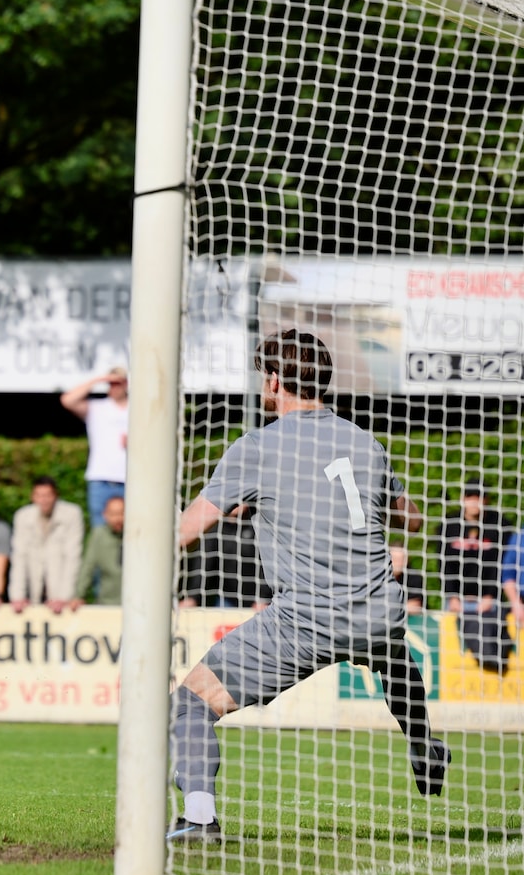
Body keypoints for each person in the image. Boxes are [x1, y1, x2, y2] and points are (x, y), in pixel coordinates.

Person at [168, 330, 445, 842]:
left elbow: (185, 533)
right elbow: (413, 520)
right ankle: (423, 740)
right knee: (390, 652)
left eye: (262, 378)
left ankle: (200, 818)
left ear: (274, 380)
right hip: (378, 610)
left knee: (190, 703)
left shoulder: (257, 446)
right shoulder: (365, 442)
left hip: (306, 621)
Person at [62, 366, 130, 527]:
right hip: (100, 480)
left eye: (118, 383)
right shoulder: (97, 408)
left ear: (126, 384)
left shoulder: (138, 409)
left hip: (130, 480)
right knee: (100, 530)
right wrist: (99, 380)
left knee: (131, 531)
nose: (114, 387)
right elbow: (67, 400)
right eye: (111, 384)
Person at [8, 476, 84, 612]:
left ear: (56, 496)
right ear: (33, 497)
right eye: (39, 495)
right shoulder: (23, 517)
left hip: (60, 591)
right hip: (34, 588)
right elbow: (19, 557)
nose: (44, 500)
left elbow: (73, 556)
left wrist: (64, 597)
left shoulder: (72, 514)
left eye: (48, 495)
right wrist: (17, 596)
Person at [179, 504, 273, 610]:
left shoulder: (258, 527)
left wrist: (263, 598)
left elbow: (265, 566)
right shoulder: (215, 530)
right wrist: (192, 598)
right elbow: (204, 564)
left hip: (259, 602)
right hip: (227, 600)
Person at [438, 479, 509, 615]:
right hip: (456, 602)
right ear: (463, 498)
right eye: (470, 496)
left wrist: (491, 595)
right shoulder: (449, 525)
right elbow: (443, 564)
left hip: (489, 601)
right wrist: (452, 596)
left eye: (479, 497)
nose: (474, 502)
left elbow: (502, 564)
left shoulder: (501, 526)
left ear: (486, 500)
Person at [72, 494, 125, 609]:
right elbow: (88, 567)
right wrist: (78, 595)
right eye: (113, 514)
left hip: (134, 605)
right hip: (106, 603)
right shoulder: (99, 535)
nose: (118, 518)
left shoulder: (137, 536)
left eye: (122, 513)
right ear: (105, 515)